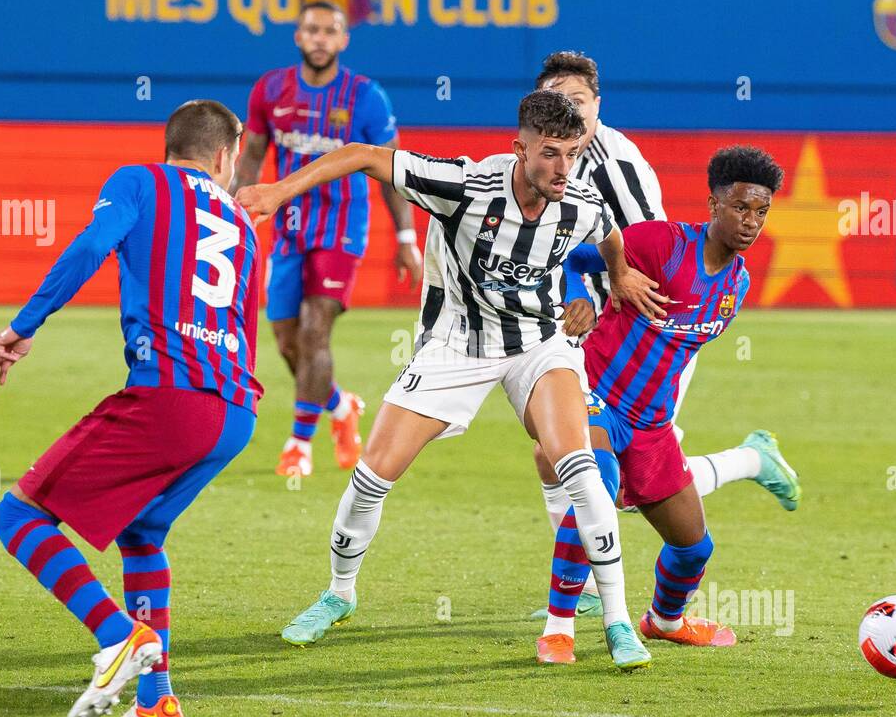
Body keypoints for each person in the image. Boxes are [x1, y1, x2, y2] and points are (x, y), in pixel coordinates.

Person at [239, 90, 666, 670]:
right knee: (371, 476)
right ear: (519, 150)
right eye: (549, 154)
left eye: (572, 153)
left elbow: (609, 230)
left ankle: (617, 620)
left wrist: (617, 277)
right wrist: (277, 191)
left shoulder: (580, 202)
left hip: (537, 347)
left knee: (581, 465)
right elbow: (366, 154)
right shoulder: (464, 186)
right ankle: (338, 594)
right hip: (455, 347)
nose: (563, 168)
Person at [0, 100, 262, 717]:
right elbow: (245, 325)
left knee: (17, 515)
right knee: (142, 533)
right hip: (235, 412)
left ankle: (120, 635)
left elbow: (92, 247)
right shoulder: (243, 225)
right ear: (225, 154)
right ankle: (155, 698)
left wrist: (24, 325)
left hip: (171, 399)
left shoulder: (140, 180)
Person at [527, 51, 801, 621]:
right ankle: (569, 606)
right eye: (557, 102)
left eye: (577, 100)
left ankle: (749, 462)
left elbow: (645, 249)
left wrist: (618, 280)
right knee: (565, 463)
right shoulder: (547, 158)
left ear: (597, 106)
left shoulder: (618, 166)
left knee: (608, 483)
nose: (752, 219)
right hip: (592, 333)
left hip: (641, 323)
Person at [233, 0, 422, 478]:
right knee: (287, 340)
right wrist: (233, 213)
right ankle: (340, 407)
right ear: (298, 37)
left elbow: (391, 170)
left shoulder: (365, 96)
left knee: (316, 330)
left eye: (329, 31)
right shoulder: (270, 90)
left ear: (343, 40)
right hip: (288, 231)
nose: (319, 38)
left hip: (341, 232)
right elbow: (252, 159)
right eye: (311, 30)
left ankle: (299, 444)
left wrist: (405, 236)